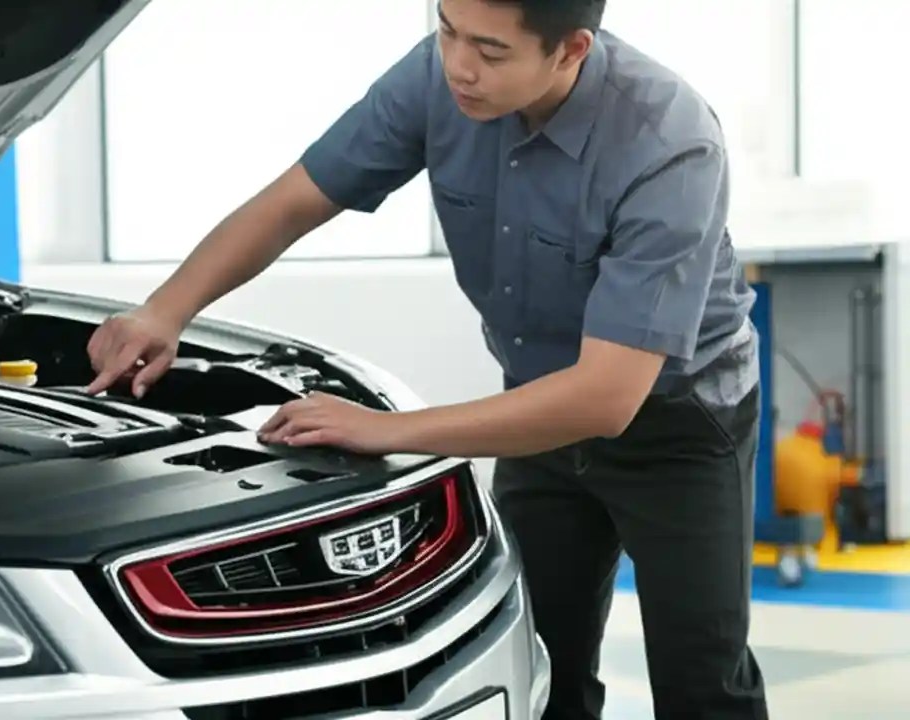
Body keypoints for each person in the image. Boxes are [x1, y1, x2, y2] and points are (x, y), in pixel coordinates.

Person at [84, 1, 769, 718]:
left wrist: (386, 430)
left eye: (491, 52)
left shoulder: (668, 141)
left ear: (571, 49)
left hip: (679, 421)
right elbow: (295, 200)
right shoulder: (436, 79)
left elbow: (605, 397)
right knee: (539, 661)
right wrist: (165, 310)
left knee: (701, 682)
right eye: (446, 29)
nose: (459, 66)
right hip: (536, 406)